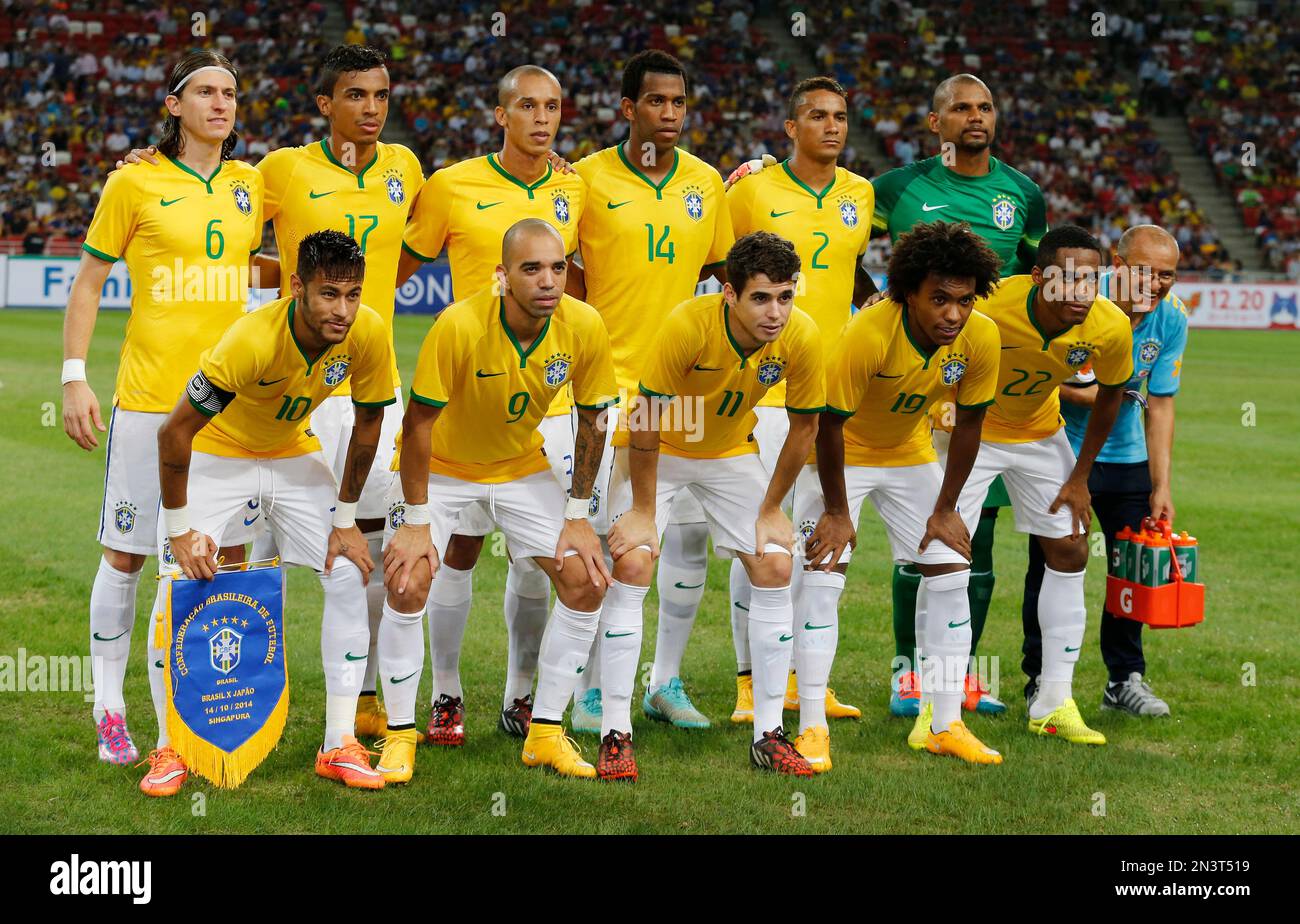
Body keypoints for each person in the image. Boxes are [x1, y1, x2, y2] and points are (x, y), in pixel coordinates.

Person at [114, 44, 425, 741]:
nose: (371, 109)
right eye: (356, 96)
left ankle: (366, 698)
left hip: (367, 378)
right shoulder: (279, 170)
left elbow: (422, 244)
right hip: (283, 381)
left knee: (365, 545)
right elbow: (217, 218)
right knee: (235, 557)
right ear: (326, 104)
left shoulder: (407, 168)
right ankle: (227, 704)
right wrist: (149, 163)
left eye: (381, 95)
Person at [62, 50, 263, 780]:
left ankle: (208, 710)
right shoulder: (134, 179)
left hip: (229, 411)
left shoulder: (253, 183)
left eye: (231, 93)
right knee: (126, 554)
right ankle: (110, 709)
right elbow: (88, 284)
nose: (221, 103)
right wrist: (74, 379)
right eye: (205, 92)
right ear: (173, 106)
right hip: (150, 404)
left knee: (223, 560)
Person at [153, 230, 397, 793]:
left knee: (346, 569)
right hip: (220, 450)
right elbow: (174, 433)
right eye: (329, 294)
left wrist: (344, 519)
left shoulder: (368, 332)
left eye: (352, 294)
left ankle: (338, 742)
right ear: (296, 289)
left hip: (291, 450)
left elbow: (368, 425)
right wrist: (180, 531)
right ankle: (168, 747)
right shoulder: (251, 341)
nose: (343, 309)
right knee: (175, 579)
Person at [379, 219, 618, 782]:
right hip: (443, 467)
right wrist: (415, 521)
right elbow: (417, 425)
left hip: (518, 466)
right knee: (408, 578)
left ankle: (545, 732)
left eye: (558, 267)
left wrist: (578, 515)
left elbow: (595, 418)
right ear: (502, 277)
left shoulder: (584, 325)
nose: (548, 280)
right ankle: (398, 735)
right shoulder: (460, 325)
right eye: (531, 268)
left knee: (586, 579)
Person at [397, 65, 587, 745]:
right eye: (528, 106)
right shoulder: (451, 186)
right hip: (464, 402)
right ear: (500, 115)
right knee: (461, 551)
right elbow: (397, 270)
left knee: (540, 556)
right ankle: (446, 694)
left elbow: (582, 274)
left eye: (553, 107)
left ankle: (522, 696)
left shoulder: (574, 184)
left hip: (551, 405)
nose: (542, 119)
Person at [604, 231, 824, 780]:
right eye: (760, 298)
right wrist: (644, 511)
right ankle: (614, 732)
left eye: (785, 296)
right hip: (665, 445)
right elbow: (647, 417)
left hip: (729, 451)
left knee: (775, 560)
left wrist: (773, 507)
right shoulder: (688, 323)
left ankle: (769, 734)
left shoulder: (803, 333)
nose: (776, 312)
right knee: (633, 560)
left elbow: (805, 426)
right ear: (729, 294)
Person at [567, 49, 735, 733]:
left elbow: (722, 278)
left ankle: (663, 681)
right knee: (612, 547)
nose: (670, 114)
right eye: (657, 102)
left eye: (680, 103)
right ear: (629, 107)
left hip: (685, 394)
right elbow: (561, 274)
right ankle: (587, 692)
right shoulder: (583, 178)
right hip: (610, 392)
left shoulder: (706, 182)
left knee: (687, 542)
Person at [799, 221, 1005, 769]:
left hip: (911, 456)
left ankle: (943, 723)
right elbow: (828, 426)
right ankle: (810, 725)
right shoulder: (867, 333)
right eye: (939, 299)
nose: (953, 314)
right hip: (838, 457)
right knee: (822, 577)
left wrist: (945, 509)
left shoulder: (981, 336)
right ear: (907, 291)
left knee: (951, 574)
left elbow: (968, 427)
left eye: (963, 300)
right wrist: (839, 514)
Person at [943, 224, 1133, 747]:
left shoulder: (1110, 327)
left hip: (1039, 432)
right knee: (945, 555)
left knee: (1071, 550)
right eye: (1067, 279)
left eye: (1091, 279)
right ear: (1036, 278)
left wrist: (1079, 476)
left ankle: (1053, 702)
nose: (1080, 291)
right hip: (969, 430)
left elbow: (1112, 394)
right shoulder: (990, 306)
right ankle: (937, 707)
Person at [723, 75, 874, 728]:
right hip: (763, 388)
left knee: (816, 534)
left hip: (831, 391)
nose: (832, 127)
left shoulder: (861, 194)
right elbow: (721, 273)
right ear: (791, 128)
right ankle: (751, 682)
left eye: (840, 116)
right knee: (760, 532)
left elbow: (849, 269)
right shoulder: (753, 188)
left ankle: (804, 677)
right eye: (817, 116)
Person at [1021, 225, 1188, 716]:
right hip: (1063, 453)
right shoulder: (1079, 305)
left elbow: (1161, 404)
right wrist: (1107, 392)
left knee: (1131, 572)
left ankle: (1124, 678)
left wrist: (1161, 486)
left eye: (1167, 276)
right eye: (1144, 272)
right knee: (1051, 566)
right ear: (1117, 267)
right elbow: (1048, 376)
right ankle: (1040, 679)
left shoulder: (1172, 319)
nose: (1155, 284)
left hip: (1128, 458)